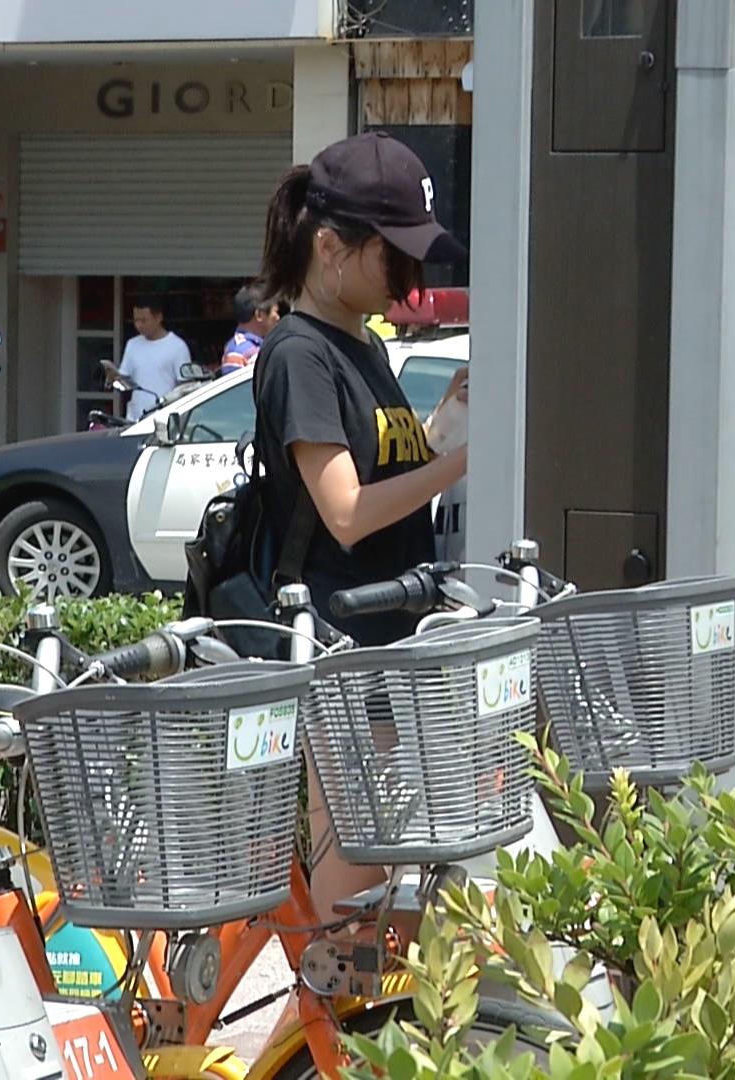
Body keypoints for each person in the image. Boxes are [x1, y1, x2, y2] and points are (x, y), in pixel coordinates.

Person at [249, 130, 470, 946]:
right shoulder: (300, 354)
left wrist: (445, 428)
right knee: (352, 919)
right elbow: (345, 510)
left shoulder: (364, 343)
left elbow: (390, 475)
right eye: (397, 261)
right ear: (331, 247)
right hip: (342, 650)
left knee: (385, 912)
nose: (411, 284)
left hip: (391, 645)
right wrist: (466, 461)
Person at [101, 298, 189, 420]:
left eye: (143, 320)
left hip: (165, 417)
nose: (139, 325)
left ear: (158, 318)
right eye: (136, 320)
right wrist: (113, 376)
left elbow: (185, 385)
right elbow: (125, 380)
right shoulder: (133, 344)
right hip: (135, 417)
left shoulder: (177, 346)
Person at [219, 284, 280, 375]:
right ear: (259, 315)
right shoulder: (237, 353)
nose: (278, 318)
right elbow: (239, 389)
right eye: (275, 312)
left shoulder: (256, 347)